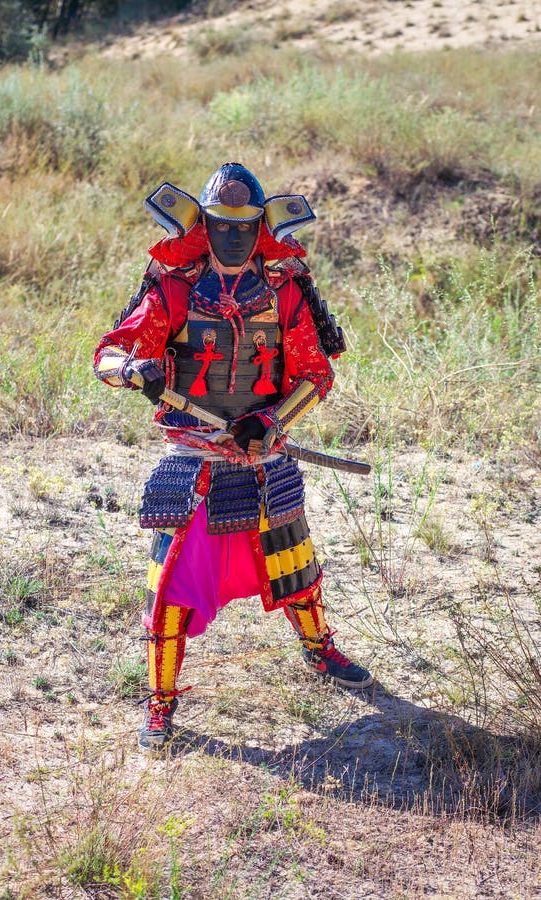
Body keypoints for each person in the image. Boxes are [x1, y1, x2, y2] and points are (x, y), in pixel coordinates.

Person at [94, 163, 373, 751]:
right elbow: (107, 355)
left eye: (245, 228)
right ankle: (160, 702)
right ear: (204, 223)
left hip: (261, 454)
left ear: (262, 226)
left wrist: (270, 420)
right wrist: (134, 370)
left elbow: (316, 373)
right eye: (222, 226)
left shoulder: (283, 289)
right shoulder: (173, 287)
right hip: (193, 454)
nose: (234, 238)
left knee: (296, 566)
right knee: (167, 585)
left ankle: (321, 650)